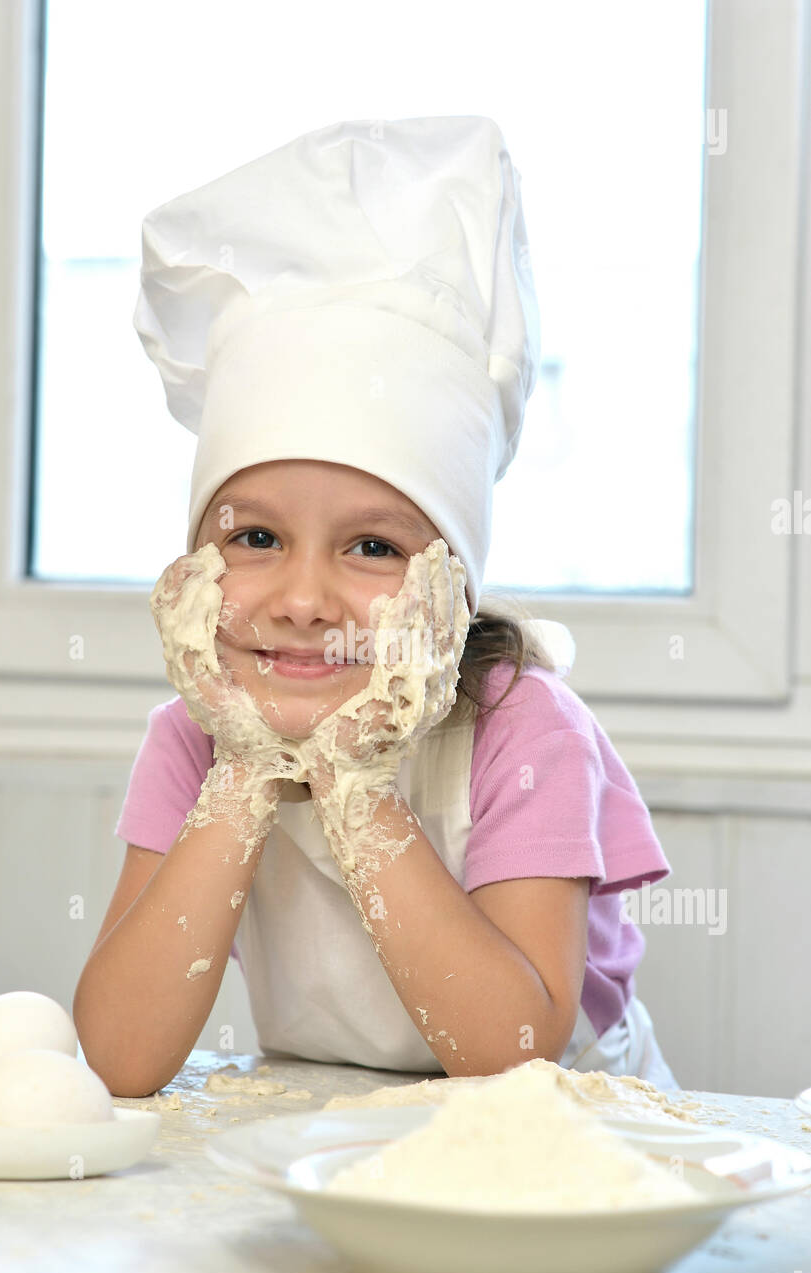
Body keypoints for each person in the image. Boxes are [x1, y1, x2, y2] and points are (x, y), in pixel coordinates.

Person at [73, 115, 678, 1097]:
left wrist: (354, 788)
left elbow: (512, 1056)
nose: (303, 600)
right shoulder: (193, 740)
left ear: (452, 584)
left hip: (558, 1130)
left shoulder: (523, 729)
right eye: (255, 538)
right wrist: (245, 776)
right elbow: (116, 1059)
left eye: (371, 548)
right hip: (337, 1125)